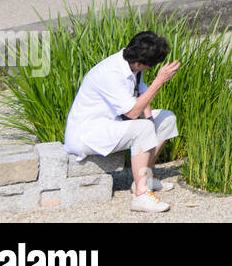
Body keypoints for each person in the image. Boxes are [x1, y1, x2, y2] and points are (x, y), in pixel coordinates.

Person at [64, 31, 181, 214]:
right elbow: (133, 112)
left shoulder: (131, 65)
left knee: (166, 119)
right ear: (141, 63)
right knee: (142, 128)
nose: (150, 70)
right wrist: (159, 81)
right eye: (150, 66)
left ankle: (145, 177)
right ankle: (141, 196)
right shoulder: (111, 72)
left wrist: (151, 122)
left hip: (112, 123)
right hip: (88, 133)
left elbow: (143, 97)